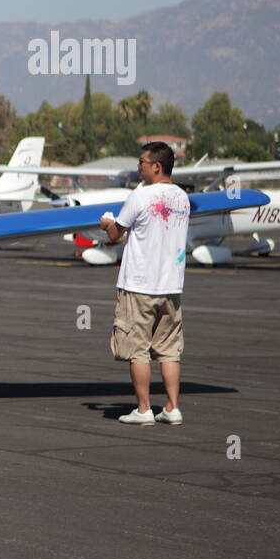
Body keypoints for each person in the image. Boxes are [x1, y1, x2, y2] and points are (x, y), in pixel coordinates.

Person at [99, 142, 191, 425]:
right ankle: (173, 407)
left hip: (139, 284)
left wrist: (106, 223)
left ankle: (143, 409)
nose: (138, 167)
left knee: (137, 350)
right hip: (171, 286)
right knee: (169, 350)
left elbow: (116, 233)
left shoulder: (140, 196)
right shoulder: (183, 198)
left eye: (142, 162)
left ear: (156, 166)